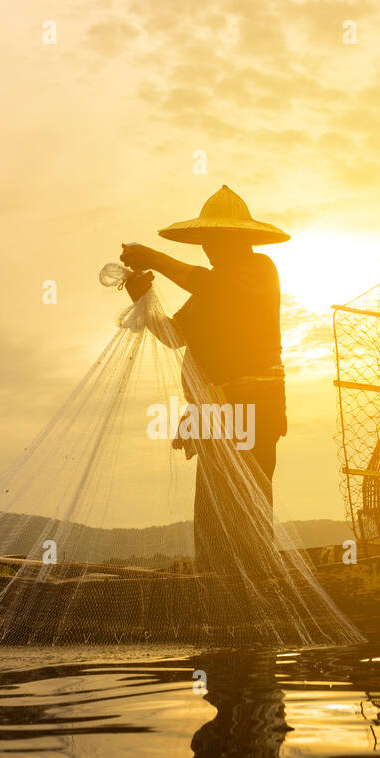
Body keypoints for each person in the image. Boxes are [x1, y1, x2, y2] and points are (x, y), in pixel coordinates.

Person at [120, 185, 289, 574]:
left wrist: (156, 259)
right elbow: (174, 336)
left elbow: (215, 285)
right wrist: (142, 299)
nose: (210, 249)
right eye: (207, 242)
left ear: (241, 240)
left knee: (249, 500)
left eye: (216, 240)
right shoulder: (208, 290)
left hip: (254, 407)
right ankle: (221, 583)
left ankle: (258, 582)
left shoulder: (258, 270)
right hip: (215, 414)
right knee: (214, 507)